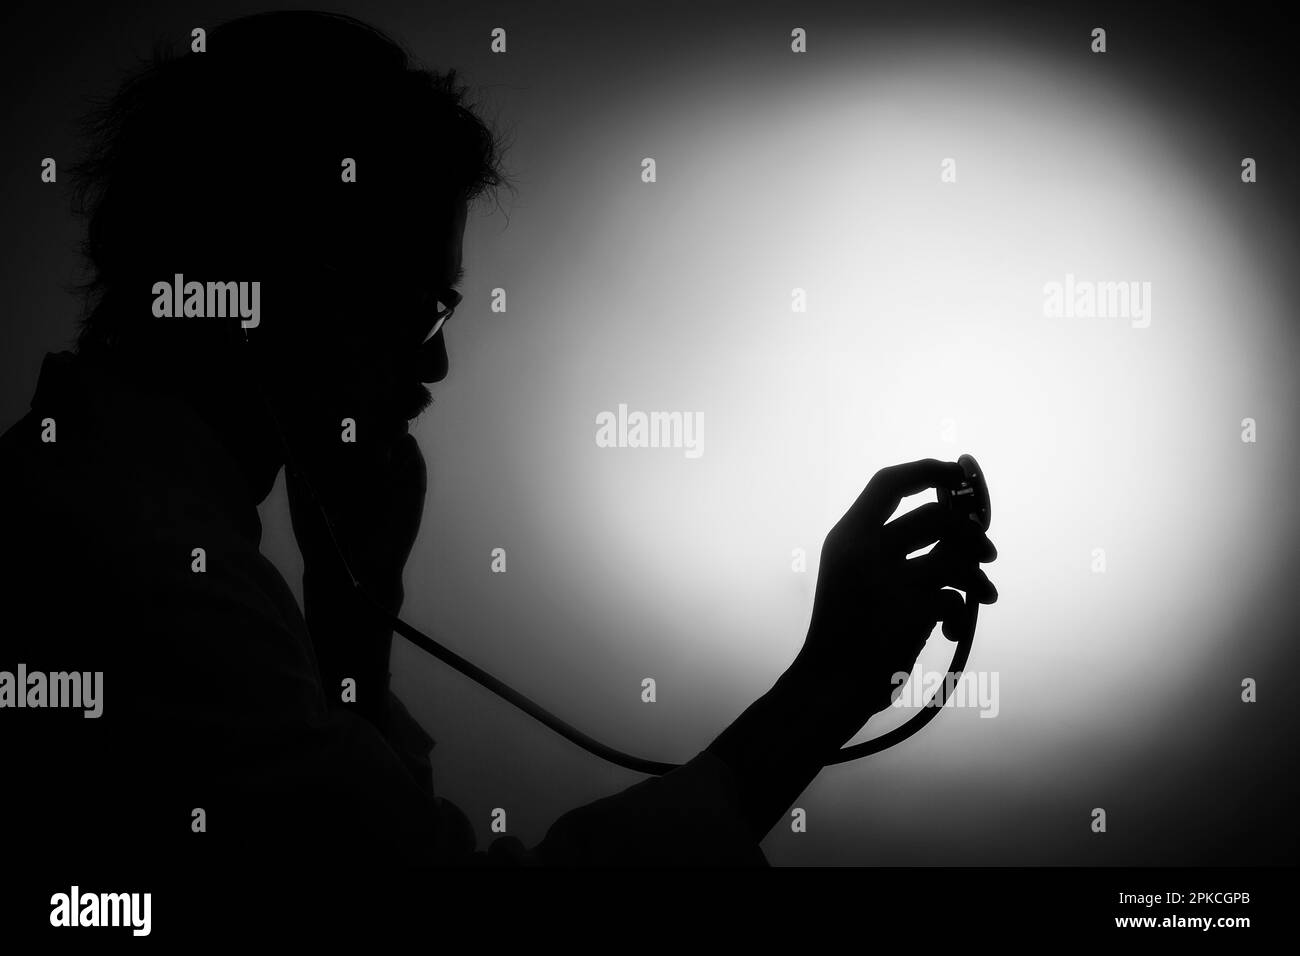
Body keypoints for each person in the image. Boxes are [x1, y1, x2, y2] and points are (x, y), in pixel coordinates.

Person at [0, 11, 998, 867]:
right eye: (424, 308)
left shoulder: (101, 502)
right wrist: (825, 688)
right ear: (297, 278)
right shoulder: (145, 571)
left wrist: (356, 625)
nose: (431, 368)